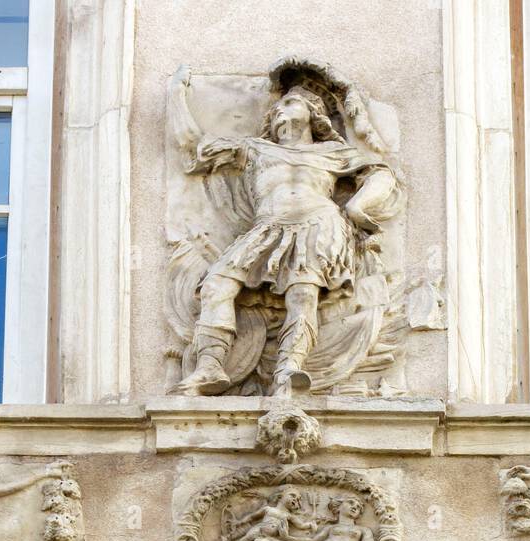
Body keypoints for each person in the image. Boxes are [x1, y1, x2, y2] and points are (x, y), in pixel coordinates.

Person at [170, 67, 400, 397]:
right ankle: (209, 366)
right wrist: (177, 95)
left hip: (318, 225)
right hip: (267, 228)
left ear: (313, 114)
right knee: (216, 284)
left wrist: (357, 207)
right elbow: (193, 150)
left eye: (290, 104)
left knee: (303, 294)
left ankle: (290, 368)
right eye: (276, 107)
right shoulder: (255, 149)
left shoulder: (330, 153)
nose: (279, 110)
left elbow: (381, 174)